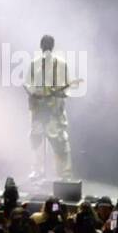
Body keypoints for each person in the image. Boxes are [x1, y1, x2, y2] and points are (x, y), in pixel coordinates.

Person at [25, 34, 76, 181]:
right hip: (39, 109)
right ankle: (37, 170)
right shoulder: (34, 64)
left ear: (52, 46)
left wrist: (60, 93)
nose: (46, 47)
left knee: (60, 139)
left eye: (48, 44)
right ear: (41, 46)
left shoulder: (62, 64)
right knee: (36, 138)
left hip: (54, 109)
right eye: (44, 44)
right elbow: (28, 83)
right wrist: (35, 94)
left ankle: (64, 173)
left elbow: (67, 88)